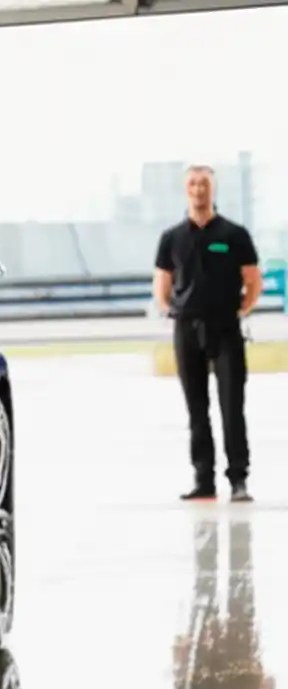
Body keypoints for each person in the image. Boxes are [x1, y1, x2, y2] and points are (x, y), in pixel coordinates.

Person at [152, 165, 263, 502]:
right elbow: (162, 281)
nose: (199, 189)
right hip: (187, 328)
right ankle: (204, 479)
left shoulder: (234, 235)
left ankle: (239, 479)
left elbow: (253, 279)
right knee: (196, 408)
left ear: (213, 189)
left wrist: (241, 309)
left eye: (204, 184)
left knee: (232, 405)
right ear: (186, 190)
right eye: (193, 184)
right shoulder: (172, 238)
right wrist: (168, 307)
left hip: (225, 328)